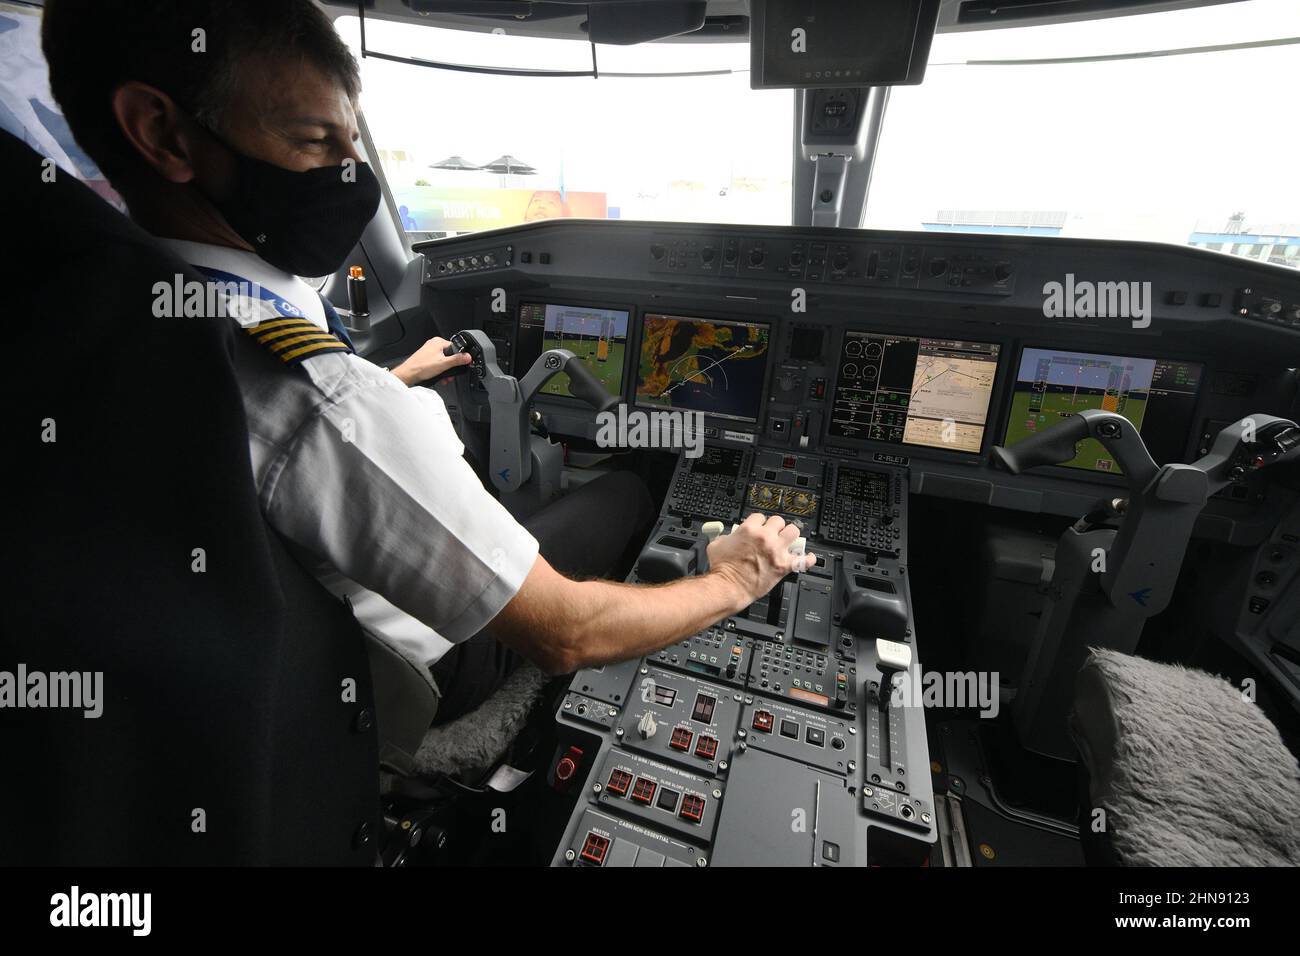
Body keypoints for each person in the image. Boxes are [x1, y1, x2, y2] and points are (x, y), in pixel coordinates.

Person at [40, 0, 813, 722]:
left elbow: (291, 432)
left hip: (275, 655)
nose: (355, 176)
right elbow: (570, 633)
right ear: (163, 133)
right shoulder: (325, 404)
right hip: (423, 670)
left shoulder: (108, 311)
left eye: (353, 139)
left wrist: (391, 379)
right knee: (623, 485)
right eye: (316, 140)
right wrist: (736, 576)